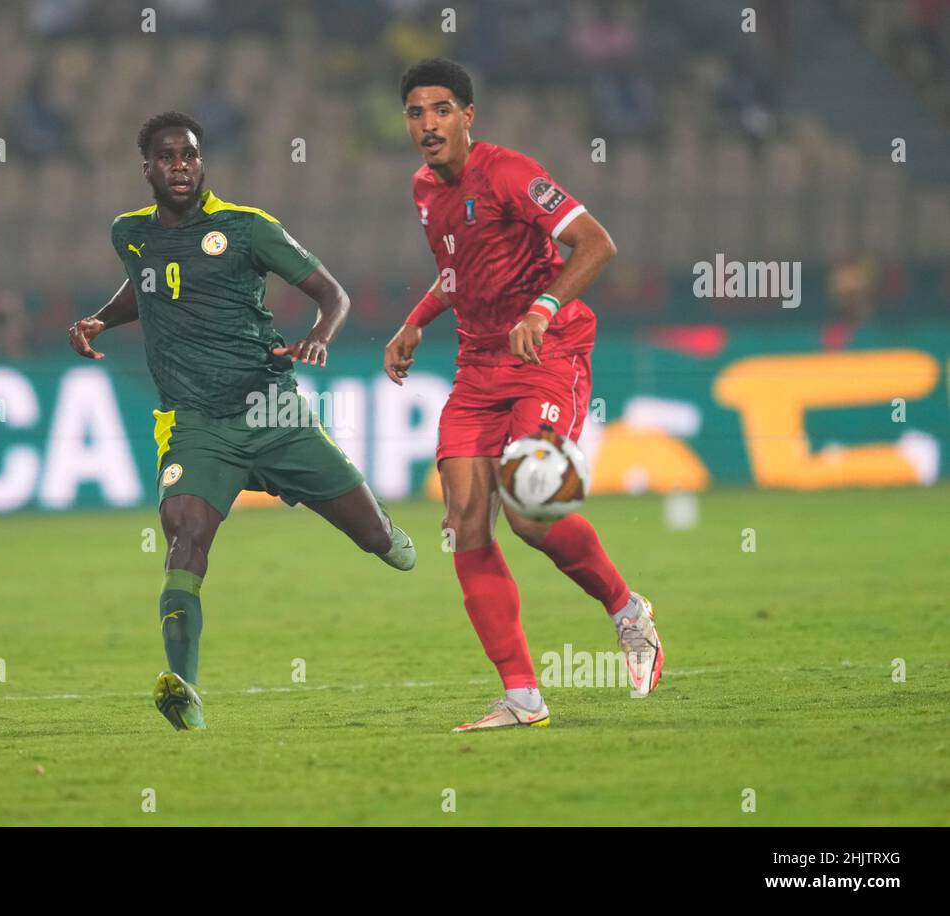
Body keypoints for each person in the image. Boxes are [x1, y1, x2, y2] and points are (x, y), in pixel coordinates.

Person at [68, 111, 416, 731]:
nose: (181, 166)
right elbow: (147, 287)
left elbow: (333, 294)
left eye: (191, 155)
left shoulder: (248, 228)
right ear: (145, 167)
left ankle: (384, 528)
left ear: (203, 164)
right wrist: (100, 319)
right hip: (195, 422)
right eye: (168, 156)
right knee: (184, 539)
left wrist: (318, 336)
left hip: (273, 409)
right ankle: (185, 688)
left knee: (378, 543)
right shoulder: (130, 234)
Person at [383, 59, 663, 732]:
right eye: (417, 112)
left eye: (442, 109)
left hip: (547, 351)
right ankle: (522, 696)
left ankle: (629, 612)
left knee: (532, 511)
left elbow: (596, 244)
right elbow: (457, 271)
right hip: (478, 366)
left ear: (468, 116)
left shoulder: (510, 173)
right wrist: (414, 321)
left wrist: (541, 307)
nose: (429, 124)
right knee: (463, 522)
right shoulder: (424, 189)